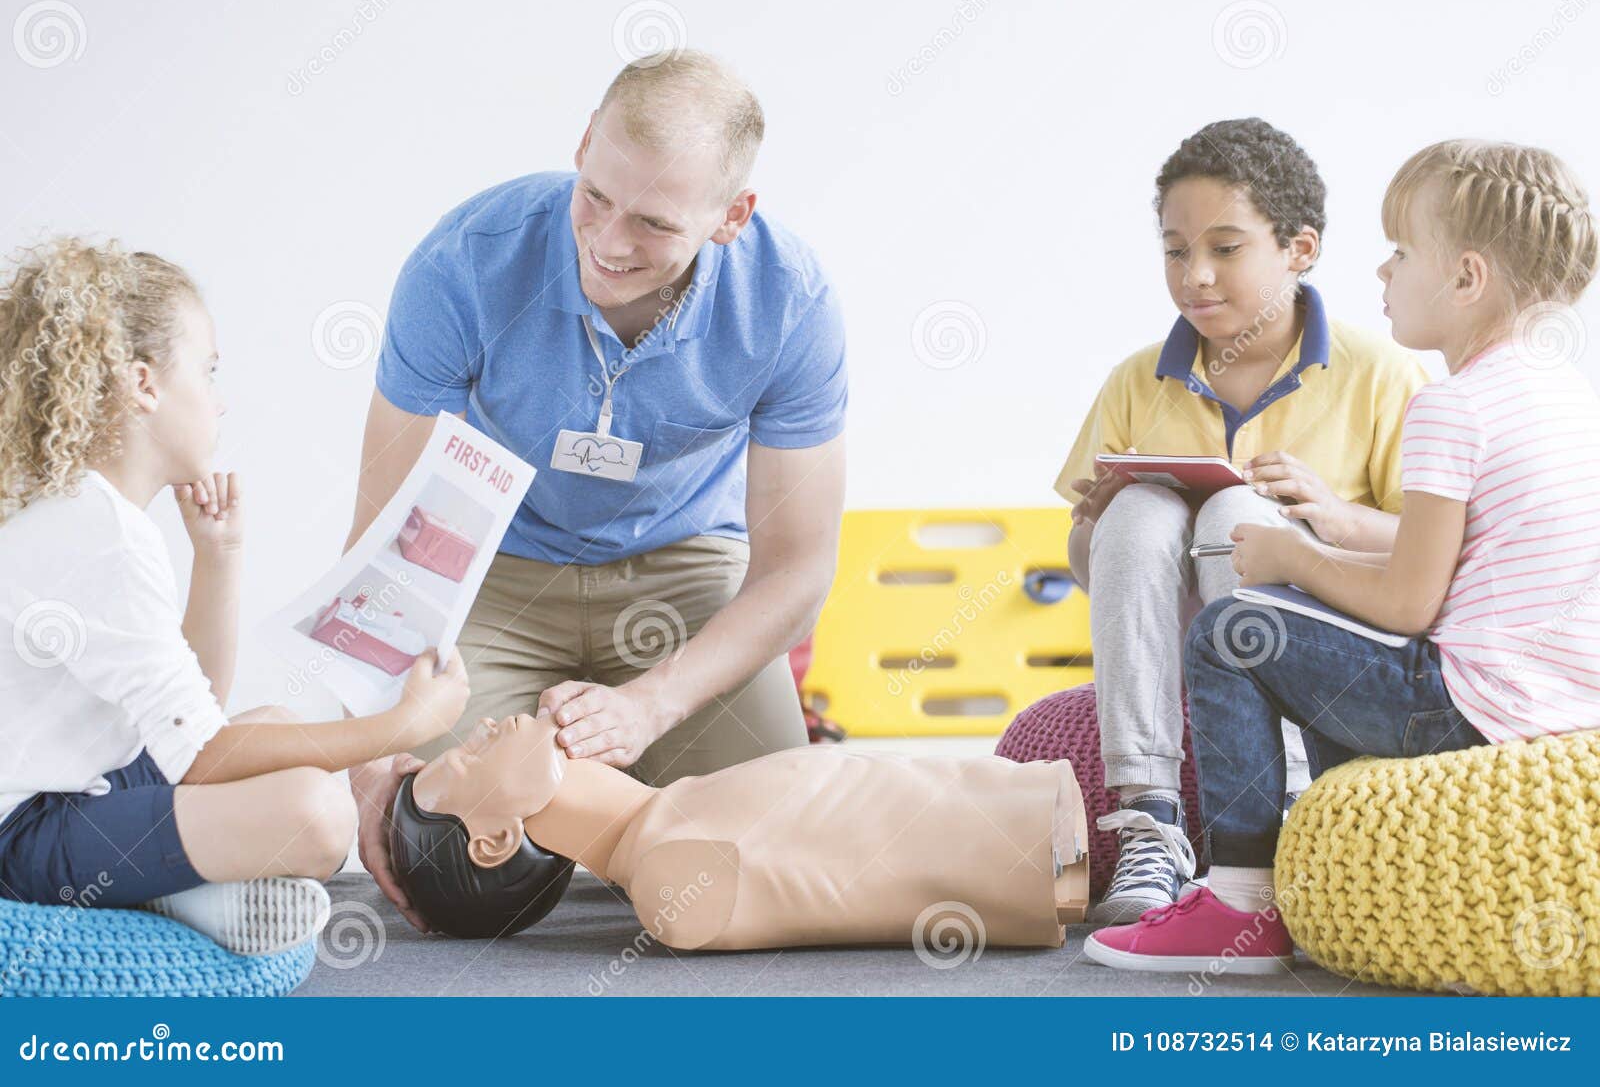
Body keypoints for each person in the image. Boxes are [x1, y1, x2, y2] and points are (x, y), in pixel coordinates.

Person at [347, 50, 849, 934]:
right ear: (583, 146)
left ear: (731, 217)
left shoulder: (791, 302)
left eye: (654, 223)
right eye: (596, 197)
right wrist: (368, 753)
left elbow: (798, 570)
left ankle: (642, 784)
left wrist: (653, 703)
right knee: (437, 853)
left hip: (685, 574)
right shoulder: (465, 259)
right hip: (495, 570)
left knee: (771, 851)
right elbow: (384, 531)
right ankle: (616, 803)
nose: (609, 243)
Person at [1085, 139, 1600, 973]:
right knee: (1303, 631)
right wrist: (1329, 544)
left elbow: (1408, 607)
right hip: (1557, 707)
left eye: (1401, 252)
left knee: (1228, 633)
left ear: (1466, 279)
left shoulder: (1451, 409)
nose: (1383, 274)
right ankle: (1310, 856)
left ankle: (1240, 899)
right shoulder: (1566, 395)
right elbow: (1453, 566)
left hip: (1466, 708)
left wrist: (1294, 560)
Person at [0, 239, 469, 954]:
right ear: (144, 385)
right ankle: (180, 898)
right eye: (208, 371)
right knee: (316, 813)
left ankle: (182, 884)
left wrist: (218, 558)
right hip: (23, 834)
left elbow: (194, 728)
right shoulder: (100, 536)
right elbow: (204, 759)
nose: (220, 400)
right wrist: (402, 728)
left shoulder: (95, 516)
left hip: (80, 787)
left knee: (279, 729)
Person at [1053, 119, 1428, 923]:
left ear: (1298, 249)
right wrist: (1098, 525)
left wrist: (1326, 513)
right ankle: (1151, 816)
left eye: (1226, 248)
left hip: (1326, 647)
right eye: (1175, 250)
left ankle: (1283, 804)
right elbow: (1090, 569)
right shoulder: (1135, 380)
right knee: (1141, 512)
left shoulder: (1382, 374)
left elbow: (1429, 548)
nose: (1196, 276)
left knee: (1236, 508)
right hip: (1172, 651)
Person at [390, 711, 1089, 950]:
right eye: (469, 756)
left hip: (1039, 807)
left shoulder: (671, 823)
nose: (481, 729)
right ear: (494, 841)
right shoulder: (673, 880)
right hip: (1040, 844)